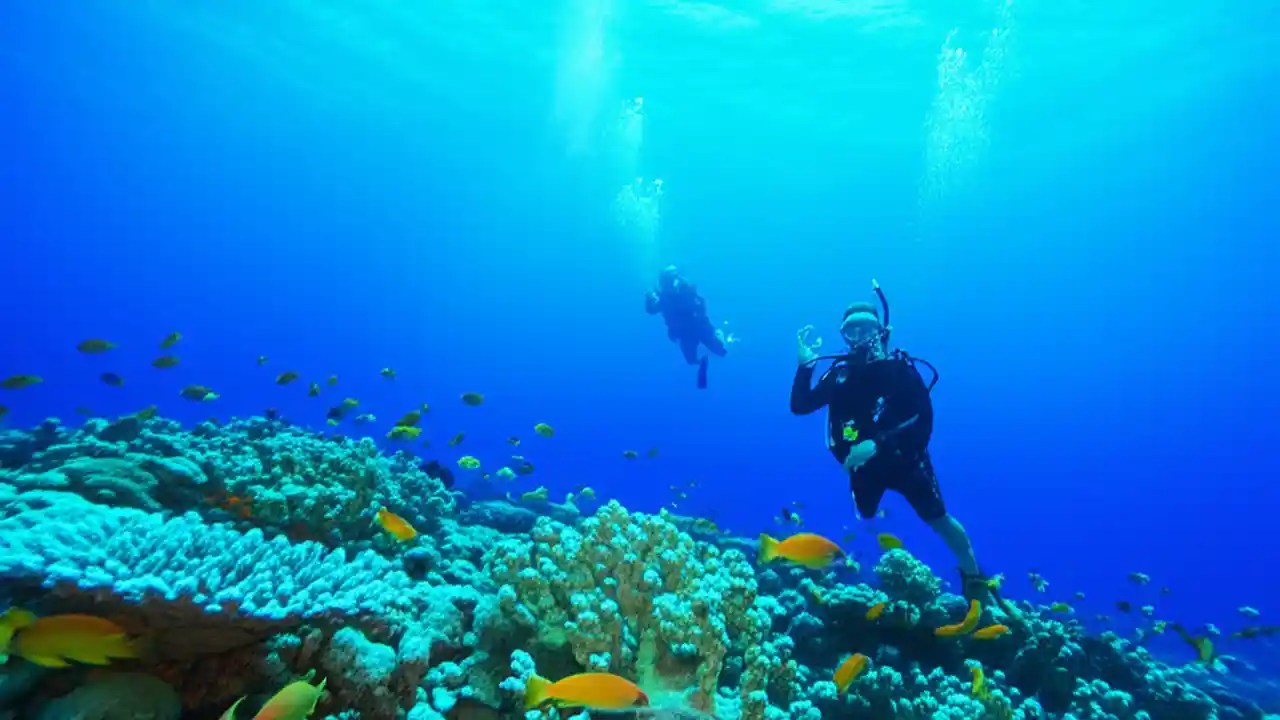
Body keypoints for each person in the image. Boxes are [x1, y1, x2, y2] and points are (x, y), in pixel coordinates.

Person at [790, 282, 990, 601]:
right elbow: (800, 406)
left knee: (940, 520)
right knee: (866, 519)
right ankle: (869, 580)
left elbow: (923, 423)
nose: (859, 338)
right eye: (851, 331)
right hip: (863, 470)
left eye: (866, 328)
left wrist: (878, 443)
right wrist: (805, 367)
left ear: (881, 331)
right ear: (843, 336)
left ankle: (974, 577)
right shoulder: (840, 375)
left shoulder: (901, 370)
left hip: (906, 462)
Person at [645, 266, 727, 388]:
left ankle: (719, 334)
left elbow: (653, 309)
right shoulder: (667, 297)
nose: (671, 284)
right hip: (686, 333)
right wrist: (650, 298)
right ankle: (704, 359)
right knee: (691, 360)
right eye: (667, 281)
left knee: (721, 351)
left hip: (699, 328)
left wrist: (651, 297)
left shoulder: (683, 292)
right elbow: (652, 309)